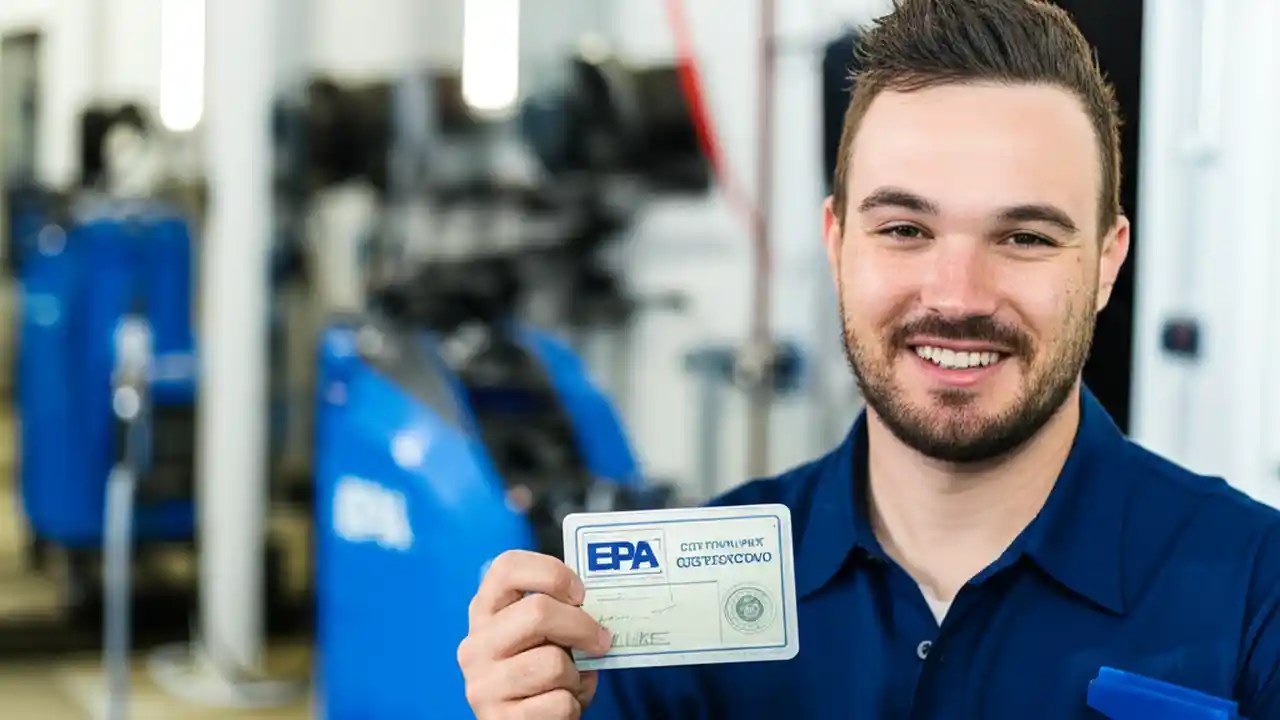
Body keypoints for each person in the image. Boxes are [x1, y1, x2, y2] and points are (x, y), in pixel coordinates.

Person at [457, 0, 1280, 717]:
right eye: (905, 230)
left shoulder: (1257, 596)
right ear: (837, 241)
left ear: (1106, 261)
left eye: (1024, 236)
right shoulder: (662, 619)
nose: (957, 295)